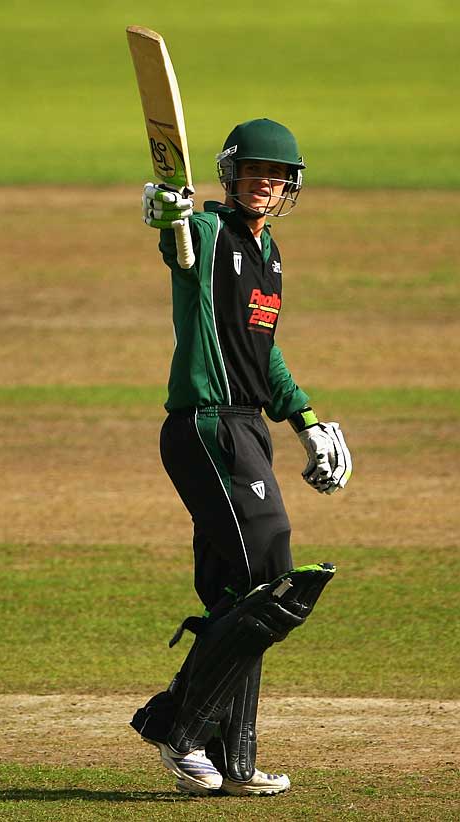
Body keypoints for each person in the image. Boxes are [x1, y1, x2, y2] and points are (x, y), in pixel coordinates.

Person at [130, 118, 352, 796]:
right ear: (230, 175)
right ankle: (179, 727)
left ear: (291, 185)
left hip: (246, 426)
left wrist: (307, 422)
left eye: (278, 174)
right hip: (205, 425)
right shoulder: (206, 233)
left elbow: (266, 353)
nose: (266, 182)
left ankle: (233, 757)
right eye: (254, 170)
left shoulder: (270, 256)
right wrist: (166, 215)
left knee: (237, 594)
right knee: (272, 571)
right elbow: (176, 238)